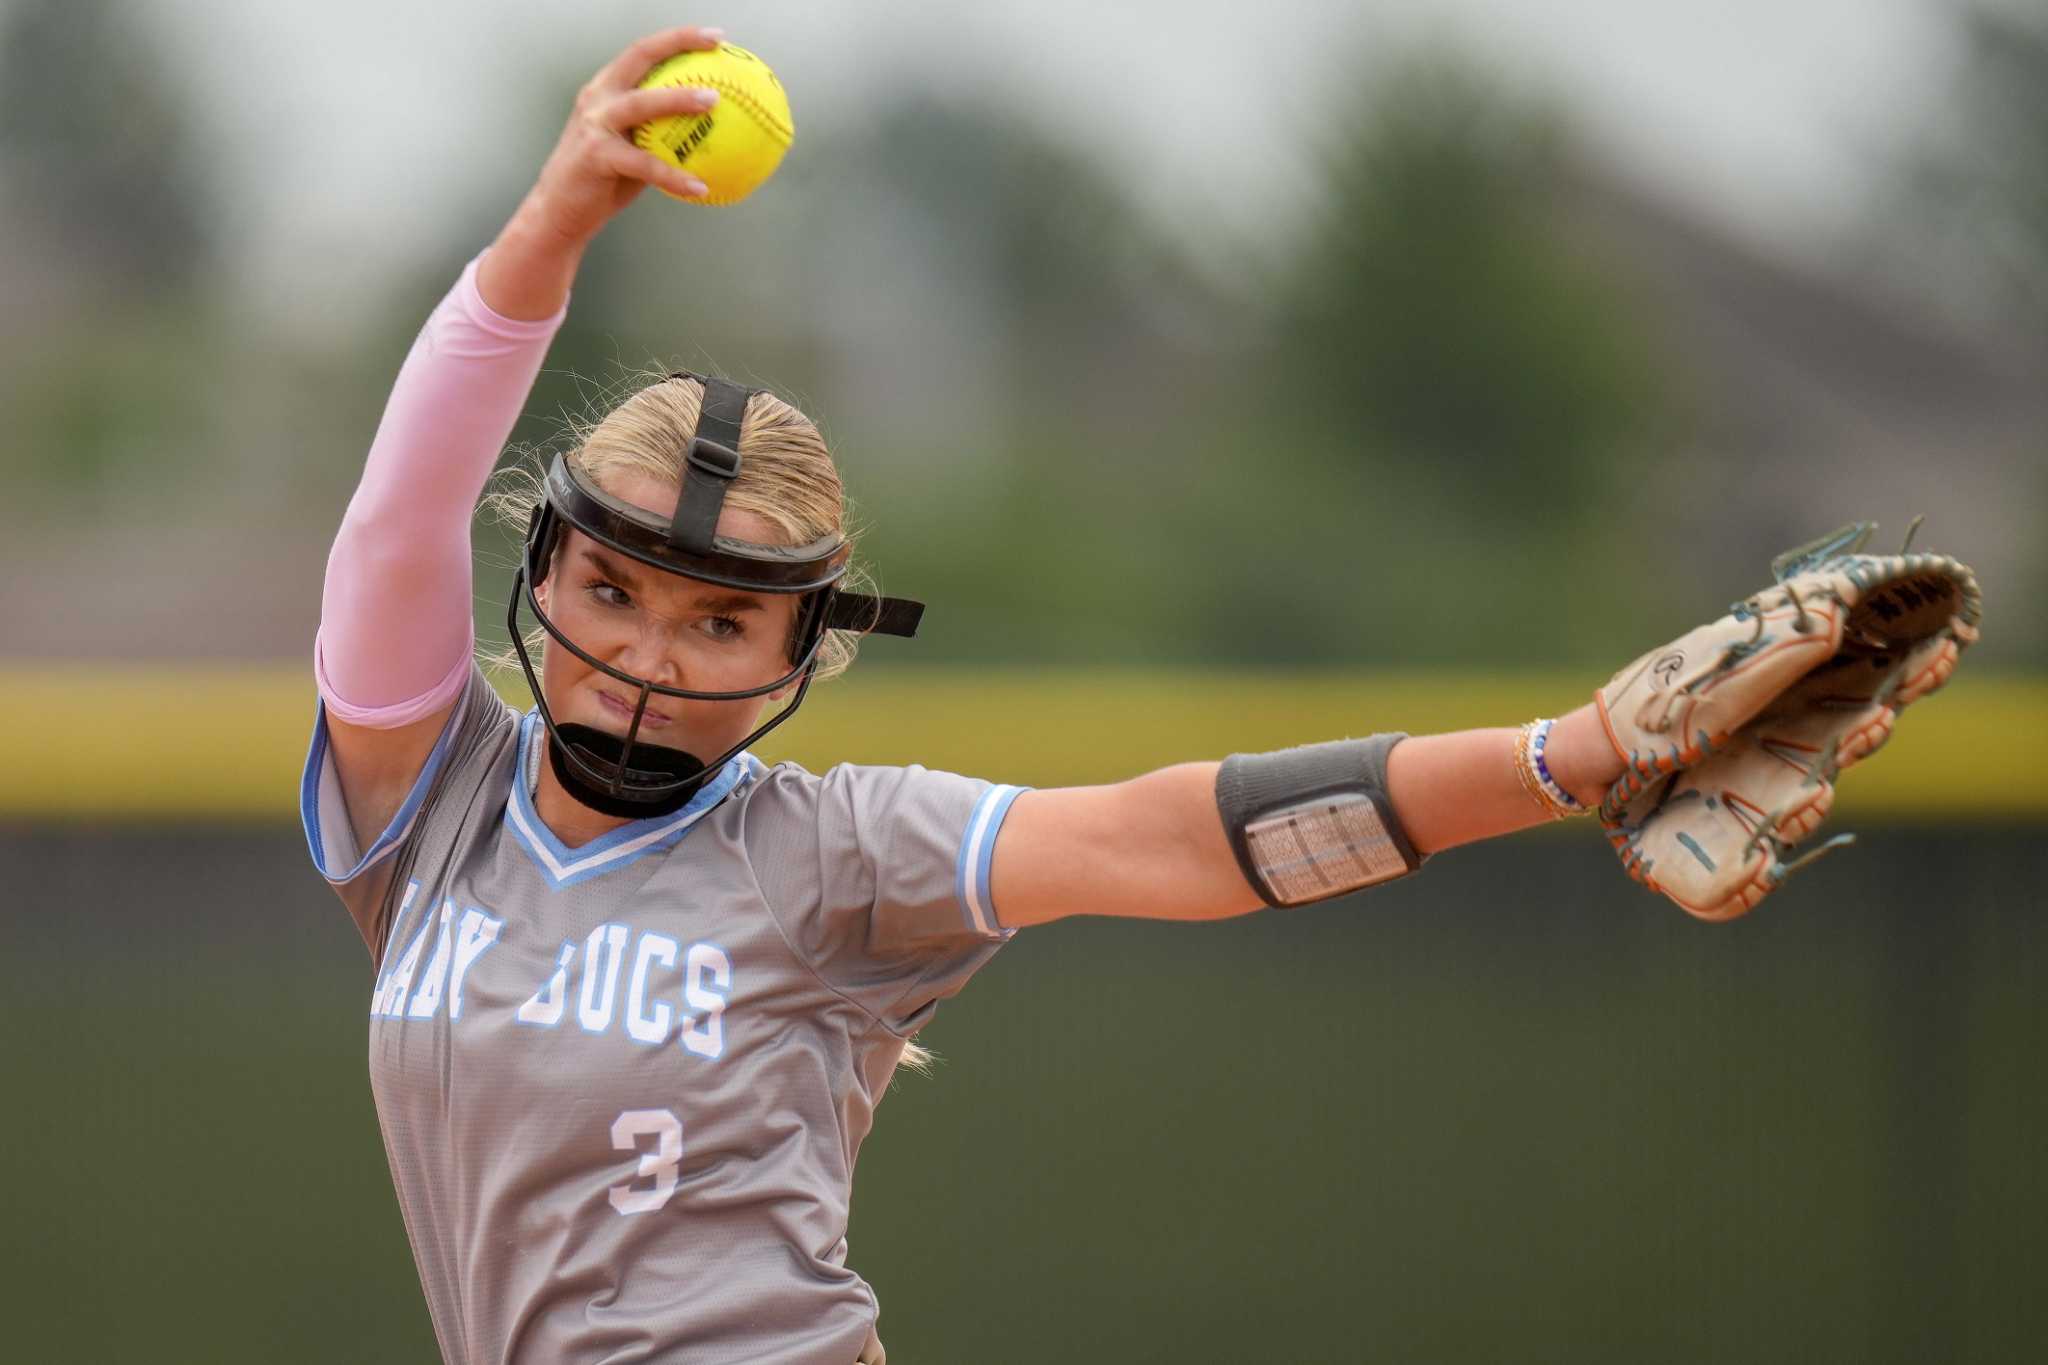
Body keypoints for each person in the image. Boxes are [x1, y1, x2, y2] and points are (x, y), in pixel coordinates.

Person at [302, 24, 1632, 1364]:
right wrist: (556, 219)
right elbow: (398, 519)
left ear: (800, 651)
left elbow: (1175, 831)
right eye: (615, 591)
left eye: (720, 618)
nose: (652, 656)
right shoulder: (435, 806)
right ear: (538, 575)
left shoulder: (825, 853)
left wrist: (1565, 756)